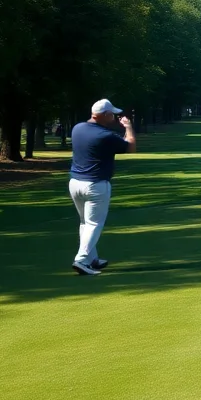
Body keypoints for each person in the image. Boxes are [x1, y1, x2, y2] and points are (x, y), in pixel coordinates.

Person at [69, 99, 136, 276]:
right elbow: (130, 147)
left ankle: (92, 258)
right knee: (94, 223)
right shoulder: (105, 135)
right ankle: (82, 260)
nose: (114, 116)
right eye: (112, 114)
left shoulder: (77, 128)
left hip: (75, 183)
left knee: (85, 222)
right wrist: (128, 127)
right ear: (104, 115)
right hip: (96, 184)